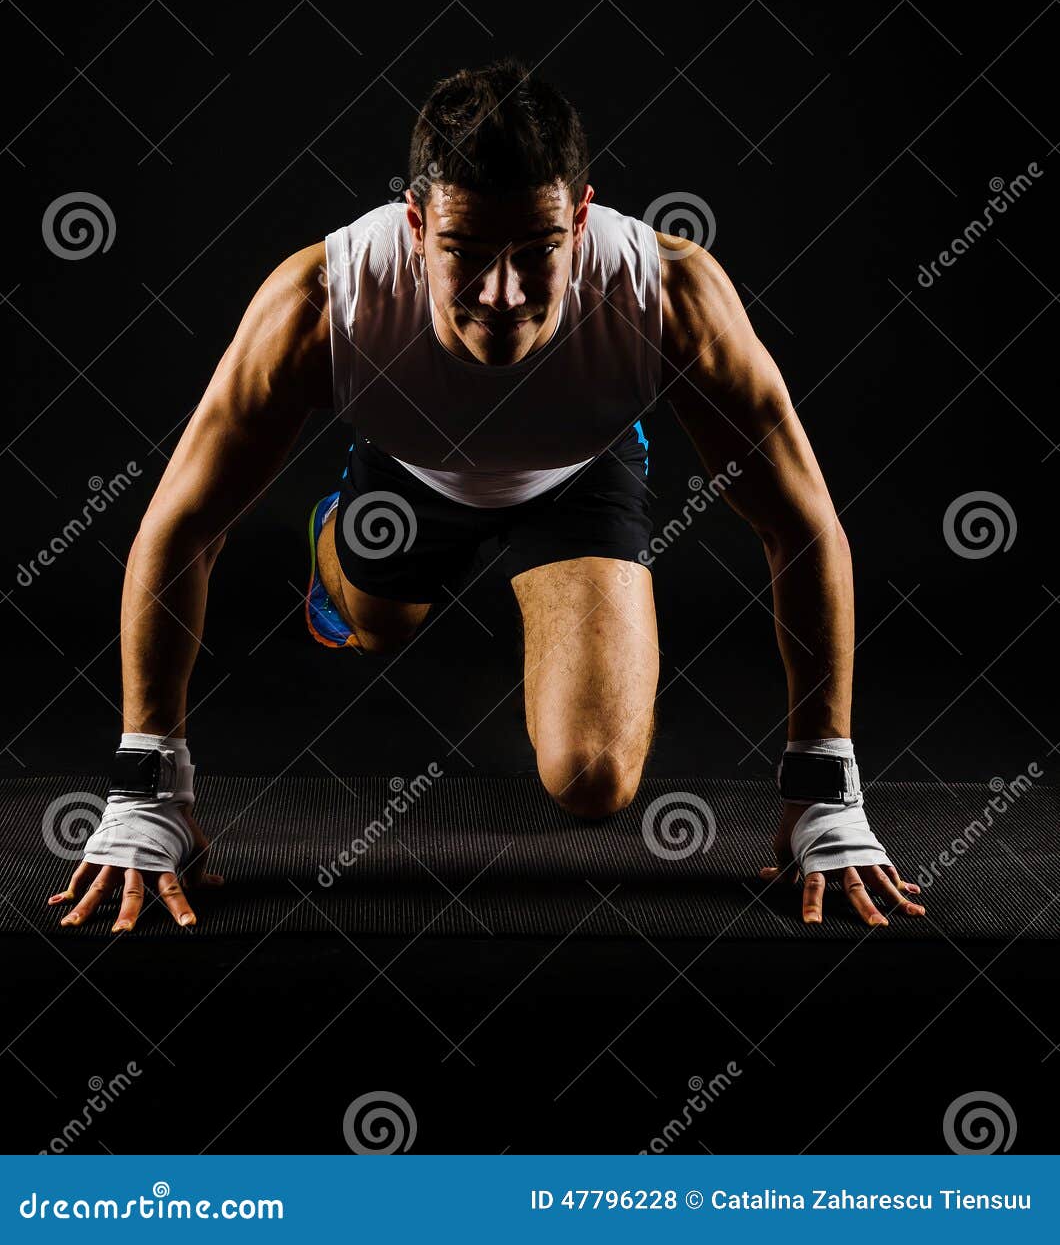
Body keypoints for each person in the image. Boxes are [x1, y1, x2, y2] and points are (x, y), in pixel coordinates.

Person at [48, 59, 924, 935]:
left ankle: (552, 618)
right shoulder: (322, 305)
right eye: (465, 253)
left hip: (574, 474)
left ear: (579, 220)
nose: (502, 295)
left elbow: (801, 526)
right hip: (411, 473)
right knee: (376, 625)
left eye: (538, 253)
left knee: (595, 780)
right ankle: (339, 548)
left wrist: (825, 794)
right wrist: (146, 792)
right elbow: (183, 527)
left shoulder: (670, 294)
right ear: (419, 223)